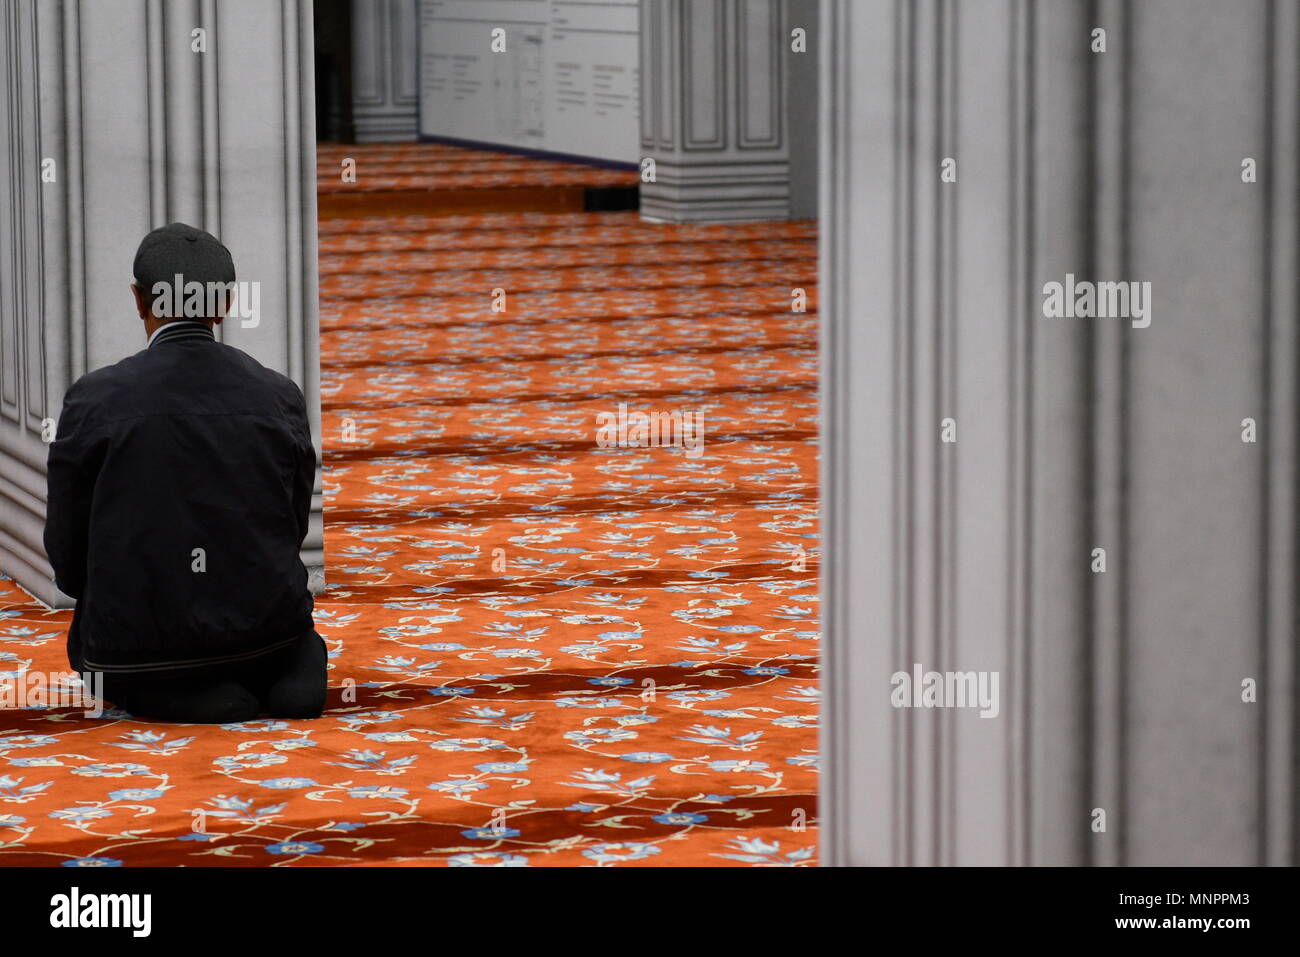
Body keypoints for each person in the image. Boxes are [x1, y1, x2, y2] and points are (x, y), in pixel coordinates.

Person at [43, 222, 326, 723]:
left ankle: (182, 688)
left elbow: (67, 550)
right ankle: (276, 673)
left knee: (115, 657)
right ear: (223, 304)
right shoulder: (279, 394)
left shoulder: (95, 397)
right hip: (267, 627)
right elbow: (292, 523)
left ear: (139, 300)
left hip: (138, 646)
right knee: (294, 654)